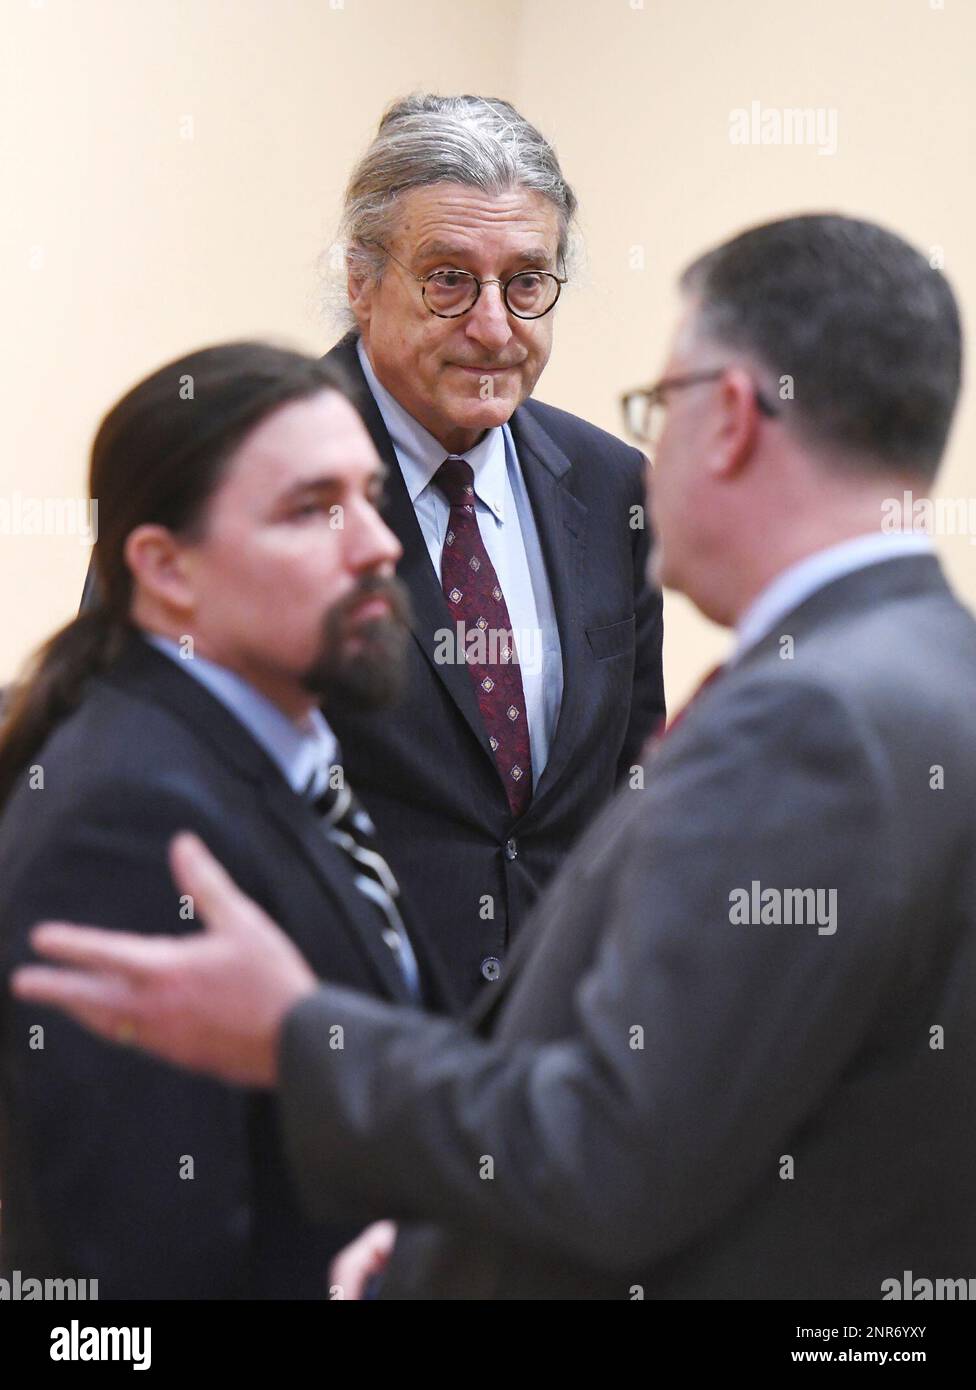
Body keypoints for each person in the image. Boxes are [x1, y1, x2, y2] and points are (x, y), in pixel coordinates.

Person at [19, 214, 975, 1300]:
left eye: (665, 407)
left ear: (733, 423)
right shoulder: (939, 676)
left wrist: (294, 1036)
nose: (378, 548)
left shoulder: (811, 721)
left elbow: (616, 1152)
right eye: (313, 508)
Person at [82, 93, 667, 1009]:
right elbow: (132, 779)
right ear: (360, 279)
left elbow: (628, 798)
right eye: (447, 279)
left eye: (526, 281)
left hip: (544, 1070)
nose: (493, 327)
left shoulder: (611, 485)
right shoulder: (239, 470)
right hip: (308, 1056)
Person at [0, 342, 454, 1299]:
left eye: (369, 497)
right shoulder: (133, 822)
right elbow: (140, 1267)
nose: (377, 544)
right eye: (310, 509)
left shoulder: (272, 753)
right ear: (166, 569)